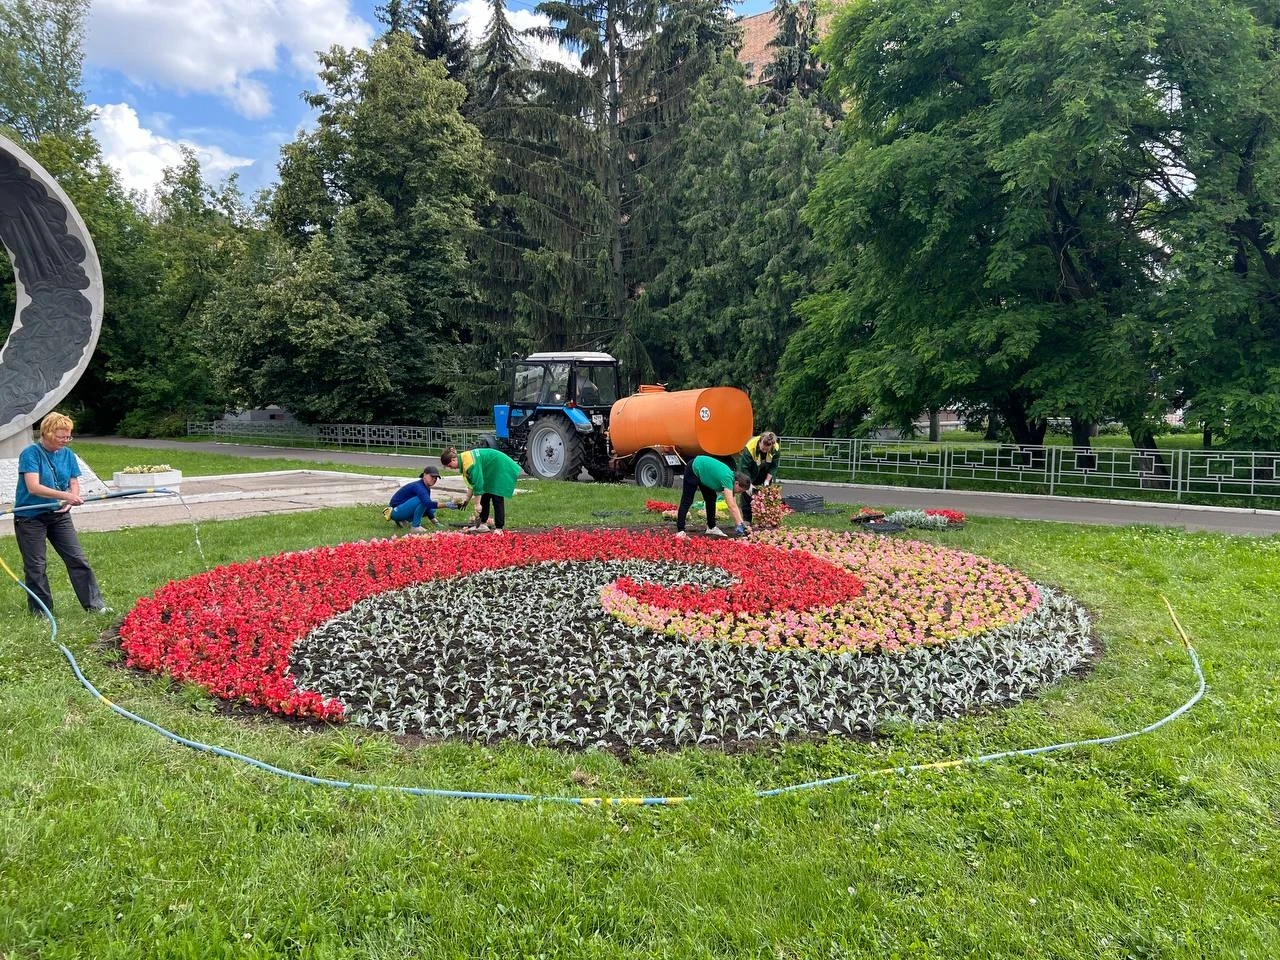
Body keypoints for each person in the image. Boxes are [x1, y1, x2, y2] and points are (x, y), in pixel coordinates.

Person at [13, 411, 108, 616]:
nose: (65, 440)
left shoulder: (68, 454)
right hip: (30, 517)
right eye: (61, 436)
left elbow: (73, 481)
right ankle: (41, 612)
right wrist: (65, 496)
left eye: (68, 437)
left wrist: (72, 497)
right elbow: (33, 487)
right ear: (47, 433)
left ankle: (95, 605)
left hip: (59, 515)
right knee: (36, 566)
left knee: (77, 559)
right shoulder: (30, 454)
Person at [439, 445, 521, 534]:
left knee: (496, 495)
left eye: (449, 465)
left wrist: (477, 504)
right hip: (490, 469)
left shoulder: (470, 463)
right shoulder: (464, 460)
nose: (451, 468)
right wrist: (467, 499)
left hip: (499, 466)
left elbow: (478, 484)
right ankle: (483, 524)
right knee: (485, 493)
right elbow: (472, 483)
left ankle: (499, 528)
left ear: (453, 460)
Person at [675, 455, 753, 538]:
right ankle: (680, 531)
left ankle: (711, 527)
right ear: (737, 483)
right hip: (694, 467)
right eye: (740, 491)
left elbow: (734, 505)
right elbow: (731, 506)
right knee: (687, 500)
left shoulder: (732, 479)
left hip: (705, 473)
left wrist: (742, 524)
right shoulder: (727, 478)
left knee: (711, 498)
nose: (739, 493)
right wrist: (740, 527)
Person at [737, 431, 780, 526]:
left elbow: (774, 466)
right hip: (750, 469)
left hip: (765, 470)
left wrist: (767, 481)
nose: (764, 451)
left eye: (767, 450)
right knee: (747, 493)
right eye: (763, 448)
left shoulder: (775, 448)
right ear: (760, 442)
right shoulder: (750, 448)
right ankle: (747, 519)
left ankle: (764, 519)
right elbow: (744, 468)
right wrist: (749, 485)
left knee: (766, 494)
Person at [384, 465, 442, 534]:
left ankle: (402, 520)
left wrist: (436, 523)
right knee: (422, 501)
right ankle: (415, 526)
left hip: (401, 509)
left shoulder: (426, 487)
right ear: (424, 475)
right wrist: (447, 505)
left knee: (432, 509)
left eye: (436, 478)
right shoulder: (419, 487)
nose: (434, 479)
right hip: (395, 511)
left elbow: (428, 506)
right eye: (432, 476)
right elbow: (426, 503)